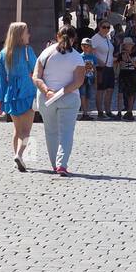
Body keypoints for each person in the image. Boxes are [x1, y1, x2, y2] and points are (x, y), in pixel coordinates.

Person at [31, 25, 87, 176]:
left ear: (57, 36)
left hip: (46, 98)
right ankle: (61, 164)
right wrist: (62, 92)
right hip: (68, 98)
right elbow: (78, 81)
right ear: (74, 39)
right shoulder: (77, 57)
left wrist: (47, 90)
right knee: (66, 132)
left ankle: (54, 164)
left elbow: (36, 76)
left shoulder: (46, 53)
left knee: (51, 132)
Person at [0, 22, 37, 172]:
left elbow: (1, 79)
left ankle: (16, 157)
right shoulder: (28, 50)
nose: (29, 35)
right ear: (20, 35)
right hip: (27, 92)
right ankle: (19, 155)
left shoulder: (4, 53)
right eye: (27, 32)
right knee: (26, 131)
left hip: (11, 94)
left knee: (17, 130)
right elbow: (36, 69)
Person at [88, 19, 116, 120]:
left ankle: (108, 111)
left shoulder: (107, 38)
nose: (106, 29)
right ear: (99, 27)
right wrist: (98, 61)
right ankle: (100, 111)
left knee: (110, 89)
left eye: (108, 27)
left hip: (110, 66)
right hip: (101, 68)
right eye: (104, 27)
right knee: (100, 90)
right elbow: (91, 51)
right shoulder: (95, 38)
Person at [115, 38, 136, 120]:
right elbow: (118, 65)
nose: (128, 46)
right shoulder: (121, 55)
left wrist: (130, 59)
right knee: (120, 94)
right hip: (123, 75)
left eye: (129, 44)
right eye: (126, 45)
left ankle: (130, 111)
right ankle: (119, 112)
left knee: (131, 94)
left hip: (132, 75)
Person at [78, 38, 98, 120]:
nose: (86, 47)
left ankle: (86, 112)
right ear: (81, 46)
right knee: (82, 95)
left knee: (88, 96)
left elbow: (95, 69)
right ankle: (84, 112)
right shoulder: (79, 56)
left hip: (90, 78)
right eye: (84, 46)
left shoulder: (93, 57)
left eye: (88, 46)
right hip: (82, 78)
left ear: (90, 47)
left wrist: (96, 79)